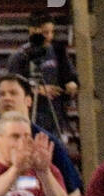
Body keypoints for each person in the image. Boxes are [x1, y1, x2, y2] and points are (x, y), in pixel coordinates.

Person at [7, 12, 78, 141]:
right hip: (32, 114)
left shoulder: (57, 52)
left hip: (55, 113)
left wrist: (71, 84)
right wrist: (38, 90)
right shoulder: (19, 57)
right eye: (45, 33)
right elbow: (13, 88)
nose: (50, 37)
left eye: (52, 32)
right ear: (32, 31)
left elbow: (70, 75)